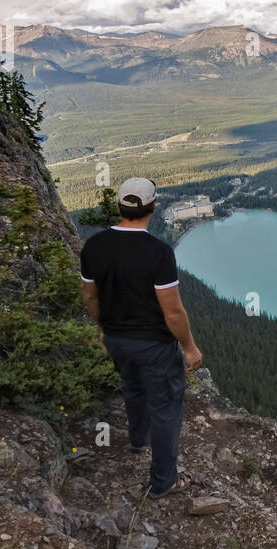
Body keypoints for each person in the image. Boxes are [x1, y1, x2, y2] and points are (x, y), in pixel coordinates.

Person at [80, 177, 204, 499]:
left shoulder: (94, 246)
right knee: (165, 408)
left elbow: (91, 298)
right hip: (154, 346)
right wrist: (189, 348)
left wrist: (103, 328)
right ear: (153, 208)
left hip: (118, 340)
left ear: (120, 206)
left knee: (133, 388)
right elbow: (173, 313)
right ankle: (164, 481)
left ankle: (138, 439)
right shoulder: (158, 253)